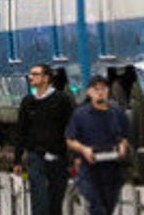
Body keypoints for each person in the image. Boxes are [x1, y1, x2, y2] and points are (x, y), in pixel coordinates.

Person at [65, 75, 132, 215]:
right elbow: (70, 139)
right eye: (96, 89)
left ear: (108, 91)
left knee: (108, 207)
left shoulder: (118, 114)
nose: (100, 92)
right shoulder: (80, 114)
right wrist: (84, 149)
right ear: (89, 92)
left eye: (103, 89)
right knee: (97, 207)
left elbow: (125, 136)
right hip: (89, 169)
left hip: (112, 169)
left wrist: (122, 146)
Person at [14, 64, 74, 215]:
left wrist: (73, 157)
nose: (31, 77)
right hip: (36, 157)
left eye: (35, 74)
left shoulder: (61, 100)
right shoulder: (28, 102)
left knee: (55, 202)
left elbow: (71, 129)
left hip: (58, 158)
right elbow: (21, 131)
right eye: (31, 74)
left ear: (46, 78)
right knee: (40, 201)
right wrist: (17, 159)